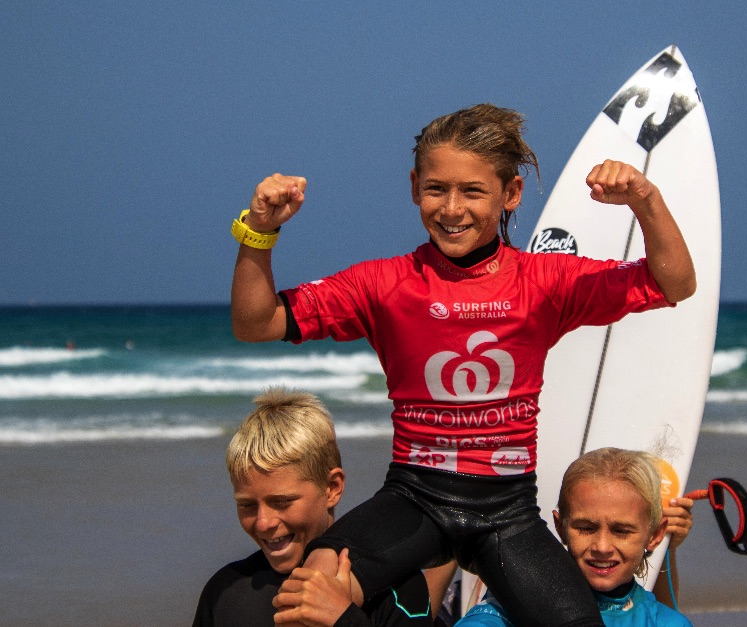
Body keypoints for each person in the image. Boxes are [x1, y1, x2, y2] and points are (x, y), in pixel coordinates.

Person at [230, 103, 696, 627]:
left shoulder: (544, 282)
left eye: (472, 191)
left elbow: (673, 283)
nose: (452, 208)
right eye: (436, 189)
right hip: (414, 496)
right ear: (414, 187)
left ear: (510, 194)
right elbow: (257, 322)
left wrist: (645, 199)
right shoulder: (381, 285)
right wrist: (260, 232)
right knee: (310, 589)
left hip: (508, 510)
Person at [193, 388, 435, 626]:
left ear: (331, 487)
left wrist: (344, 618)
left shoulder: (394, 588)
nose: (264, 522)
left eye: (281, 502)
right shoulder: (225, 591)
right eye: (246, 504)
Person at [456, 448, 693, 626]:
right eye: (586, 528)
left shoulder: (667, 622)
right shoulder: (515, 604)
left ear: (655, 535)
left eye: (621, 531)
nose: (601, 546)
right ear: (560, 527)